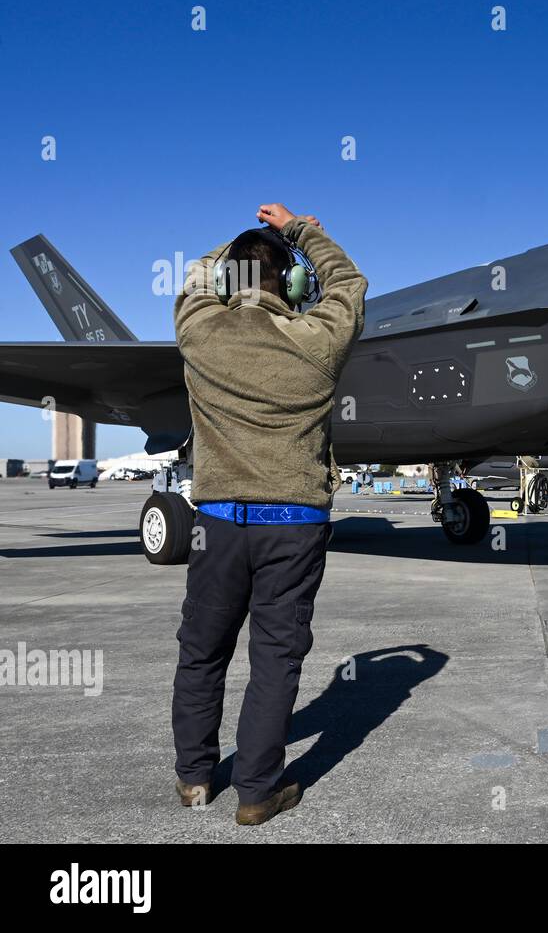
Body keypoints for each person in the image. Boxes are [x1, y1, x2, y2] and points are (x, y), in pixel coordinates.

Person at [171, 203, 367, 826]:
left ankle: (195, 780)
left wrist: (240, 244)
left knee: (202, 653)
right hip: (295, 525)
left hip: (218, 524)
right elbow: (350, 284)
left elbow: (199, 277)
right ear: (295, 284)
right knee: (275, 661)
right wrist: (301, 230)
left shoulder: (200, 329)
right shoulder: (319, 340)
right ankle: (257, 792)